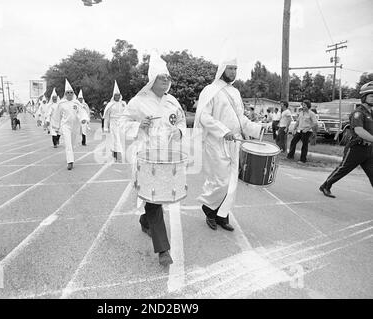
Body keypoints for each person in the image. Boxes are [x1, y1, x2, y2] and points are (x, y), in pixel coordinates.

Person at [193, 40, 267, 232]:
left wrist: (256, 129)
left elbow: (240, 118)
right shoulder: (210, 90)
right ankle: (209, 209)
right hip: (216, 143)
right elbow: (203, 116)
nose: (233, 72)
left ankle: (222, 214)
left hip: (234, 143)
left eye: (236, 68)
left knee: (232, 181)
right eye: (230, 68)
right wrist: (223, 131)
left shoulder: (235, 92)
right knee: (220, 180)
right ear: (222, 69)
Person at [120, 51, 185, 266]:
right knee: (154, 199)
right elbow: (122, 123)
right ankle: (163, 250)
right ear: (152, 80)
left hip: (166, 158)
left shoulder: (173, 102)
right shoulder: (138, 102)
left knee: (156, 198)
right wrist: (138, 125)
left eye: (168, 78)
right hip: (145, 157)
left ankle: (144, 220)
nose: (166, 81)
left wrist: (180, 133)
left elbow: (182, 122)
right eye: (162, 77)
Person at [319, 81, 373, 198]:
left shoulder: (371, 113)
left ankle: (325, 185)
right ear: (364, 97)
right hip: (356, 148)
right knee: (343, 169)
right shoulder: (358, 113)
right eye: (371, 96)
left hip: (369, 149)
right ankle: (326, 186)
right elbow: (359, 130)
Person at [51, 79, 83, 170]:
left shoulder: (76, 103)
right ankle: (70, 161)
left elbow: (81, 113)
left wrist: (84, 119)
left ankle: (70, 156)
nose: (69, 94)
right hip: (66, 126)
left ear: (73, 94)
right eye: (68, 92)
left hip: (75, 126)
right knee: (68, 143)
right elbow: (57, 115)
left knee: (72, 144)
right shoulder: (61, 104)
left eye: (71, 92)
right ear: (65, 94)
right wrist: (56, 127)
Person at [104, 80, 126, 161]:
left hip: (121, 123)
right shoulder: (110, 105)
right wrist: (106, 127)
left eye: (118, 95)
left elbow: (126, 114)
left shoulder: (123, 103)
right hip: (113, 123)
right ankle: (118, 155)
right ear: (113, 96)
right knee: (115, 138)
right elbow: (106, 117)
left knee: (120, 138)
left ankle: (114, 151)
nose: (117, 96)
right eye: (116, 95)